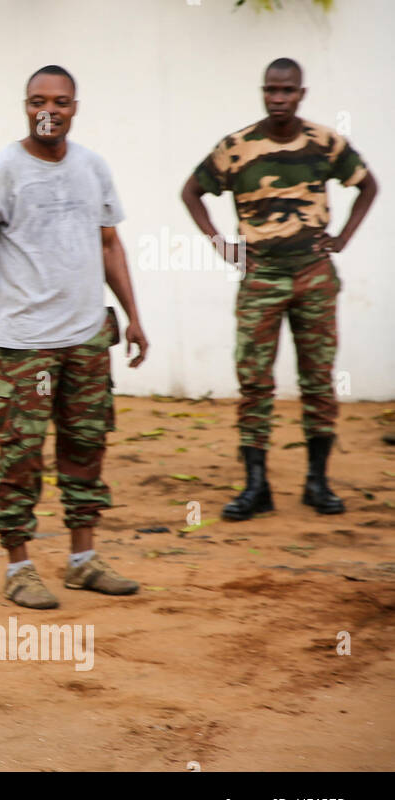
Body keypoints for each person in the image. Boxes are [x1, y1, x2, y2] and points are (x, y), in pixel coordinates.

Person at [0, 65, 148, 611]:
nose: (48, 110)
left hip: (87, 337)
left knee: (86, 446)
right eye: (36, 101)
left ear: (75, 107)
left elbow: (109, 245)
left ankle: (83, 560)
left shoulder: (93, 168)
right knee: (20, 456)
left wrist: (133, 316)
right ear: (25, 107)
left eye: (60, 101)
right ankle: (19, 566)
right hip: (24, 343)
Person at [180, 57, 378, 519]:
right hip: (261, 279)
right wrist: (221, 245)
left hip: (314, 277)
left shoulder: (325, 143)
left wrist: (343, 239)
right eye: (271, 90)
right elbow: (191, 191)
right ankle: (256, 486)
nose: (278, 98)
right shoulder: (237, 147)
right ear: (262, 92)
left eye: (287, 90)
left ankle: (317, 482)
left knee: (319, 381)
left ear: (301, 94)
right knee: (254, 383)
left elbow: (368, 186)